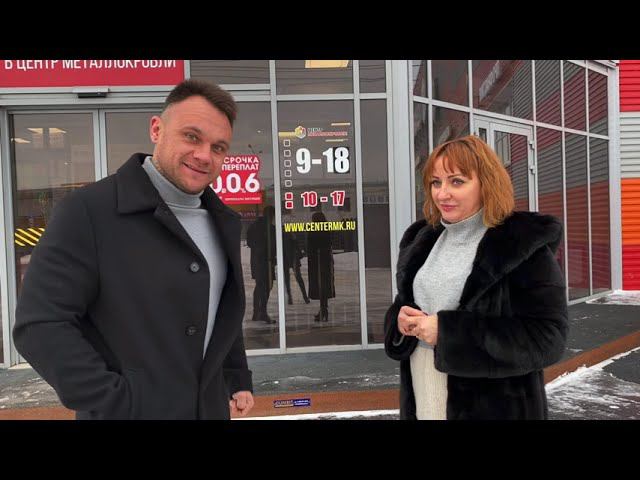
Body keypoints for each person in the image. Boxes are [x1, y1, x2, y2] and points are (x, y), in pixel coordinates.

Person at [13, 79, 255, 420]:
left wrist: (236, 376)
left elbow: (220, 313)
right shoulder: (88, 212)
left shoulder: (223, 221)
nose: (204, 155)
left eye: (218, 147)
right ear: (156, 129)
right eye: (191, 136)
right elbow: (40, 324)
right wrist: (119, 403)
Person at [384, 135, 568, 420]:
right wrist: (399, 320)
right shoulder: (423, 240)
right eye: (436, 182)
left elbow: (548, 337)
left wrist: (449, 334)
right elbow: (406, 302)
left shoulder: (519, 246)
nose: (442, 194)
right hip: (423, 391)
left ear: (486, 183)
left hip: (496, 408)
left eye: (457, 181)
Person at [246, 205, 277, 324]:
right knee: (266, 286)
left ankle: (257, 312)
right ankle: (262, 312)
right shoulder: (267, 228)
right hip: (264, 261)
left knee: (260, 286)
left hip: (258, 261)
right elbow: (272, 245)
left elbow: (250, 242)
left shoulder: (254, 226)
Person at [307, 211, 335, 322]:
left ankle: (323, 310)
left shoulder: (314, 231)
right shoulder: (326, 230)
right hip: (325, 261)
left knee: (320, 286)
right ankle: (324, 309)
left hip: (316, 262)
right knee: (324, 285)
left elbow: (310, 246)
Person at [283, 231, 310, 305]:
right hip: (291, 256)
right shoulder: (290, 233)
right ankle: (304, 297)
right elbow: (296, 243)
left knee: (289, 278)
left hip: (287, 257)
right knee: (297, 277)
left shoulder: (283, 234)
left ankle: (291, 297)